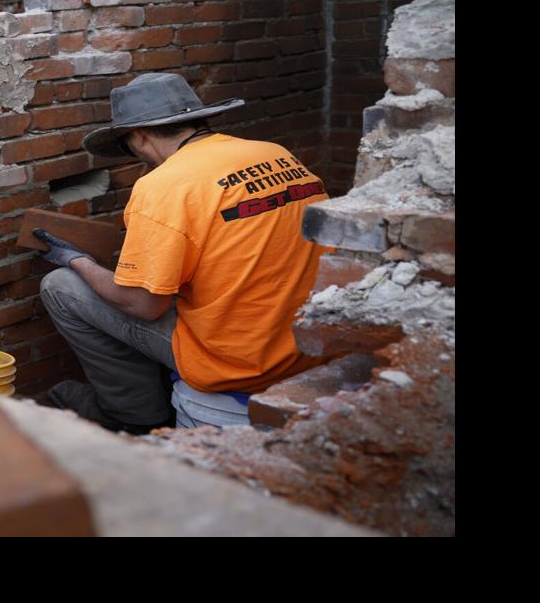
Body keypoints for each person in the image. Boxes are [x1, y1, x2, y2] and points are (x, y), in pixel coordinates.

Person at [36, 72, 332, 434]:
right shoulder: (274, 154)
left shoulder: (164, 184)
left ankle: (133, 414)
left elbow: (144, 305)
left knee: (60, 285)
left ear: (139, 136)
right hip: (311, 344)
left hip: (240, 361)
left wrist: (77, 261)